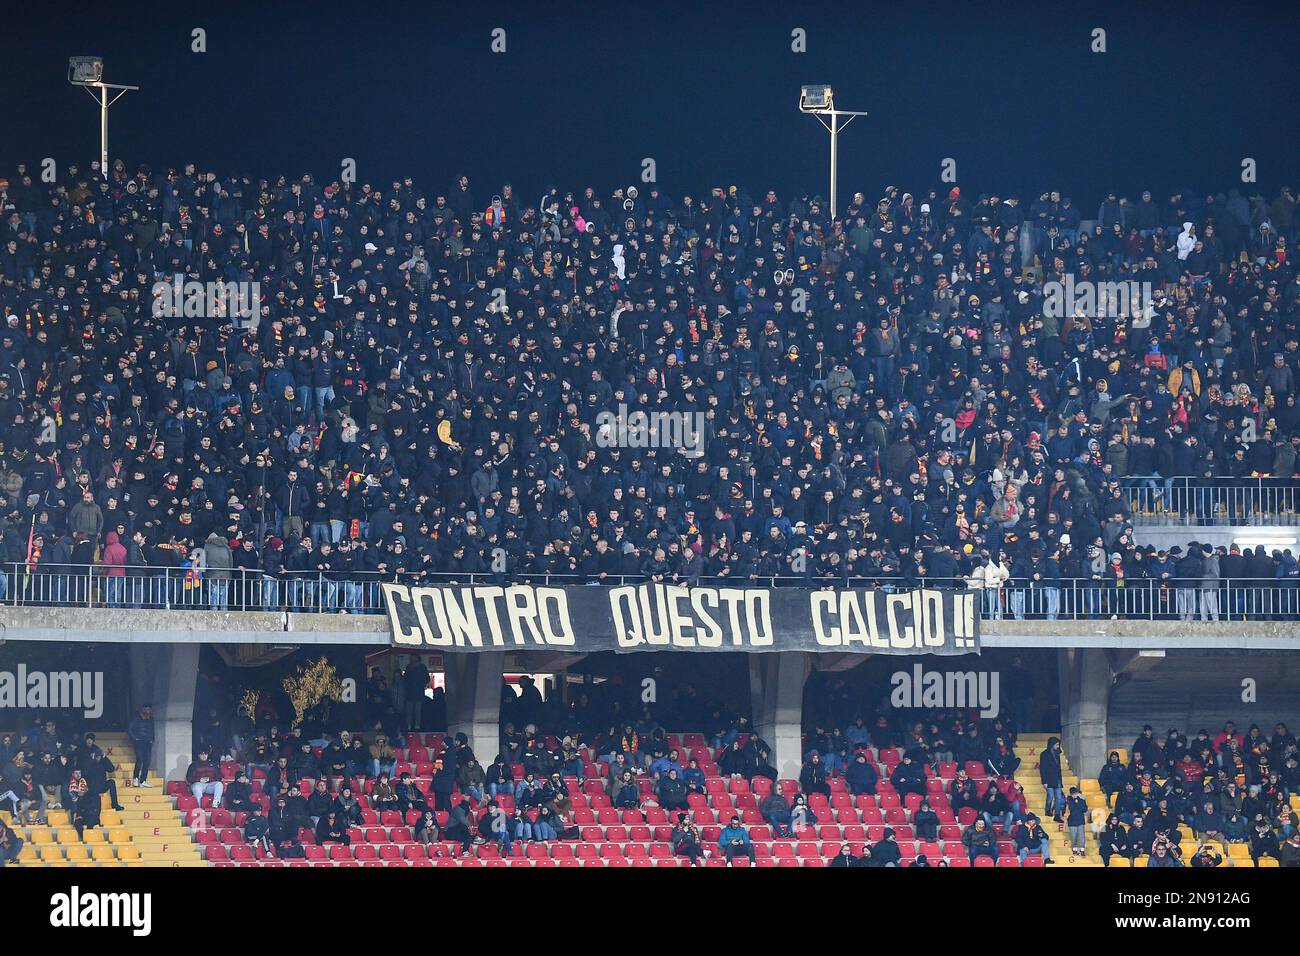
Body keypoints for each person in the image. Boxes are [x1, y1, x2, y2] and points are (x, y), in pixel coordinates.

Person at [128, 704, 155, 787]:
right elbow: (129, 728)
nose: (147, 711)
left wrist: (152, 739)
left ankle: (143, 780)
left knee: (147, 761)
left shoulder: (151, 719)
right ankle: (135, 778)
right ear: (143, 709)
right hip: (139, 741)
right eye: (146, 709)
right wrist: (135, 738)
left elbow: (152, 729)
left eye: (149, 709)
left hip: (147, 742)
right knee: (139, 759)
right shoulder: (136, 717)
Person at [1040, 736, 1064, 822]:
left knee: (1058, 797)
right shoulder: (1044, 754)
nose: (1058, 746)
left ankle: (1057, 815)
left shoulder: (1057, 753)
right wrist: (1044, 781)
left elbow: (1058, 768)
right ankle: (1047, 810)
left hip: (1057, 779)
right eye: (1057, 744)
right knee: (1050, 796)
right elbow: (1043, 768)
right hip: (1049, 779)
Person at [1065, 787, 1089, 856]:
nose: (1075, 795)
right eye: (1073, 794)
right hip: (1072, 821)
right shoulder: (1068, 801)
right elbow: (1066, 810)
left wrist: (1077, 803)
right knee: (1073, 836)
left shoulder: (1081, 800)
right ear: (1071, 794)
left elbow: (1085, 809)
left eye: (1076, 793)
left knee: (1081, 836)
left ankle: (1082, 850)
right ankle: (1074, 849)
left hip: (1080, 821)